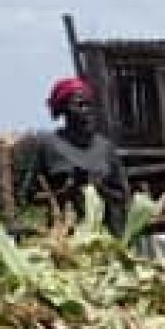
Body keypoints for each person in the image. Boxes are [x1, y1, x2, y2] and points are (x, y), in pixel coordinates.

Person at [32, 77, 132, 233]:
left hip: (106, 239)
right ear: (63, 108)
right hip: (65, 239)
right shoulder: (49, 146)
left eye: (89, 104)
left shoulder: (105, 148)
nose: (86, 110)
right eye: (79, 105)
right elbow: (31, 197)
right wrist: (65, 192)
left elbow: (123, 196)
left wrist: (98, 188)